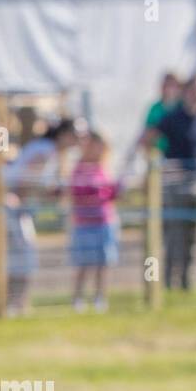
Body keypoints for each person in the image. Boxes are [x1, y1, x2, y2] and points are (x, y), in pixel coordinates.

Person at [154, 75, 196, 291]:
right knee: (174, 234)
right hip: (174, 183)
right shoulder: (173, 117)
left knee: (192, 235)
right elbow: (148, 137)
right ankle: (164, 281)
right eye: (194, 90)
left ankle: (186, 281)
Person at [67, 130, 120, 311]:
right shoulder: (78, 169)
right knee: (83, 263)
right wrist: (98, 196)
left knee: (103, 263)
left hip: (104, 222)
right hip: (84, 224)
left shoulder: (104, 168)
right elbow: (77, 194)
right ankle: (78, 299)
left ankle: (100, 298)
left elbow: (111, 193)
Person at [143, 72, 181, 155]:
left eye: (171, 86)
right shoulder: (155, 108)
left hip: (178, 153)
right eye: (166, 85)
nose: (168, 89)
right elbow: (148, 131)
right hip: (159, 153)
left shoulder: (182, 107)